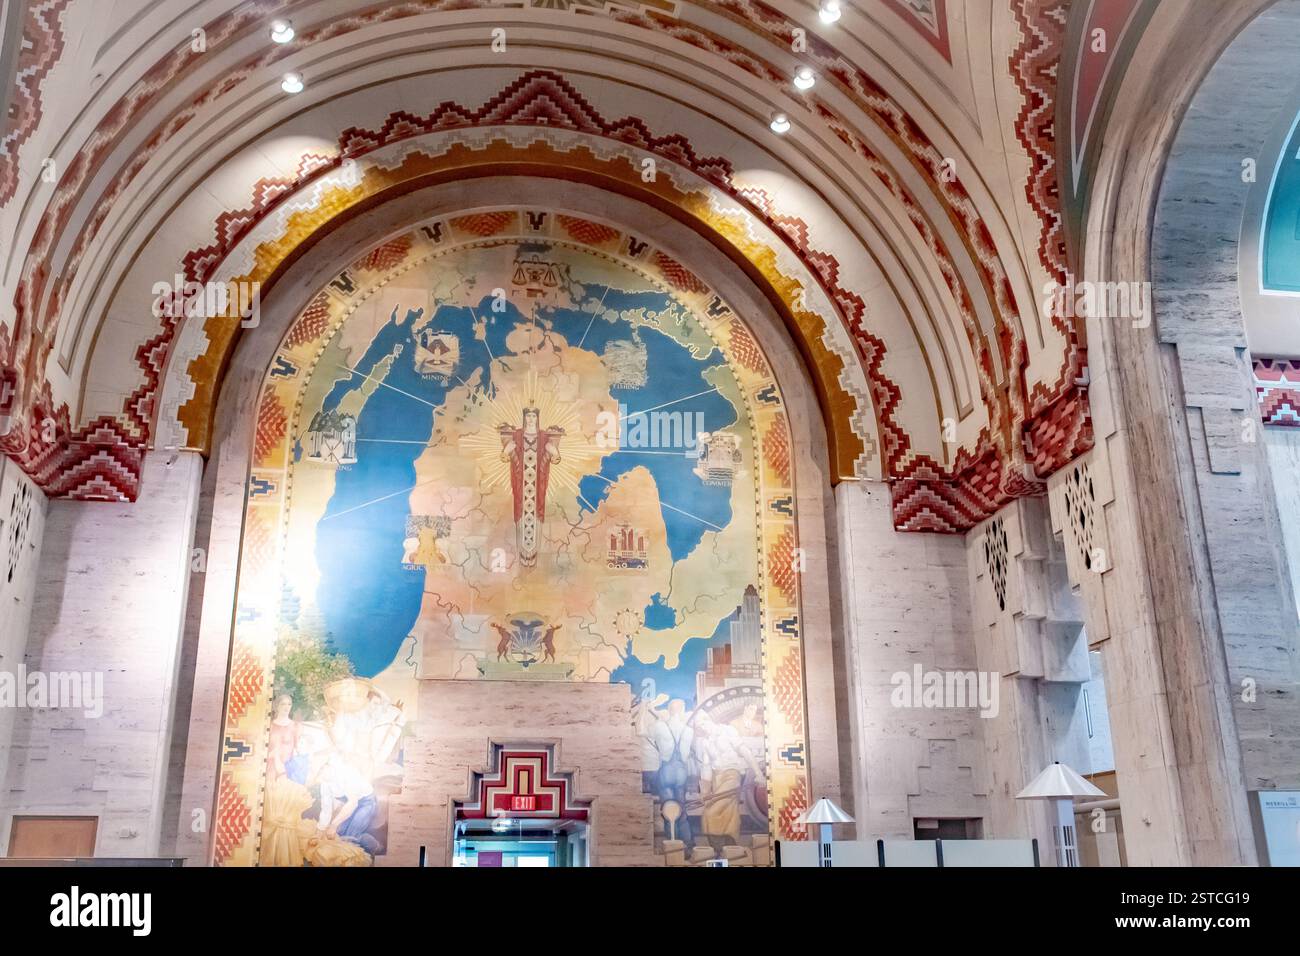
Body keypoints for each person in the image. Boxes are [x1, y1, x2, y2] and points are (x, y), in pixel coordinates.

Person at [499, 407, 563, 566]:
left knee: (536, 517)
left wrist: (553, 451)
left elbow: (555, 458)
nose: (531, 419)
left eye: (534, 416)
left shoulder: (543, 436)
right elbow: (505, 455)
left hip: (537, 487)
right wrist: (506, 450)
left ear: (537, 418)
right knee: (521, 513)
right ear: (524, 417)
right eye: (528, 415)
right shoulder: (517, 436)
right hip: (521, 486)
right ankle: (522, 555)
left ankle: (533, 556)